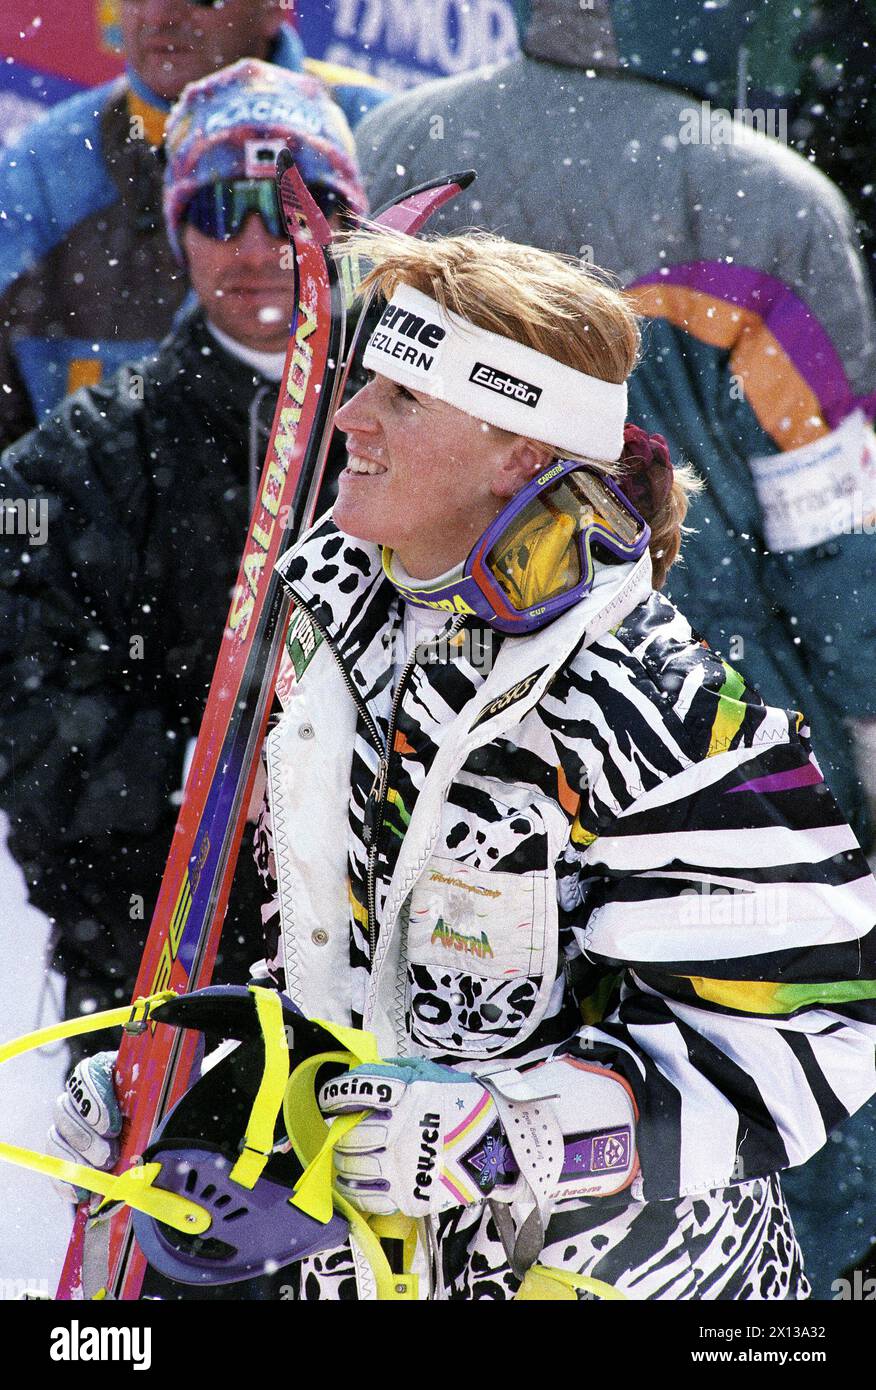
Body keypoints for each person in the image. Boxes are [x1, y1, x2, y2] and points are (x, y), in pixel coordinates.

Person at [57, 228, 876, 1300]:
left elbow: (811, 1029)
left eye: (404, 397)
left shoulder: (651, 705)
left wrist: (516, 1138)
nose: (348, 418)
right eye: (364, 384)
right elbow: (372, 980)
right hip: (385, 1268)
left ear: (521, 454)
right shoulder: (350, 636)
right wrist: (200, 1091)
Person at [352, 0, 876, 1289]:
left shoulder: (392, 146)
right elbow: (837, 543)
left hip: (431, 702)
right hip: (721, 726)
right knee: (759, 1123)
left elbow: (339, 444)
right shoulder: (769, 195)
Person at [0, 59, 367, 1058]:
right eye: (219, 208)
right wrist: (206, 798)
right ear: (176, 229)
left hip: (404, 958)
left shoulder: (428, 426)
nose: (258, 243)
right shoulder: (76, 460)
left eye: (295, 204)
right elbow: (30, 721)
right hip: (160, 962)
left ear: (349, 220)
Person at [0, 0, 386, 451]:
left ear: (273, 8)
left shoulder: (385, 135)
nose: (163, 15)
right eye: (215, 214)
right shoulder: (38, 174)